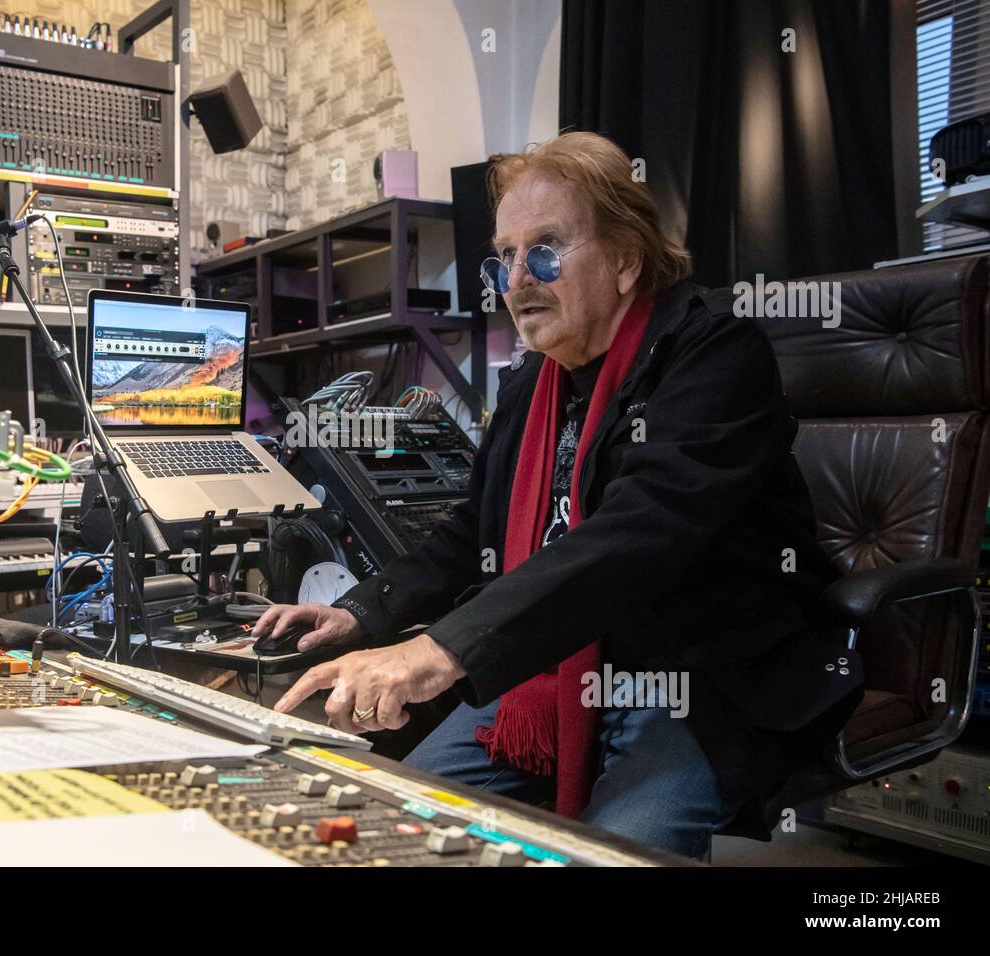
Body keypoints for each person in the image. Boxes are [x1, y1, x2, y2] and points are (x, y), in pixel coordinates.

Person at [257, 131, 863, 860]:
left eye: (545, 249)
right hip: (552, 672)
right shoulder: (526, 386)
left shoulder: (716, 355)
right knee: (397, 838)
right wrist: (359, 613)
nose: (517, 280)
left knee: (606, 856)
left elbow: (639, 535)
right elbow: (466, 534)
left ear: (626, 260)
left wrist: (439, 649)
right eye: (504, 257)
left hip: (692, 681)